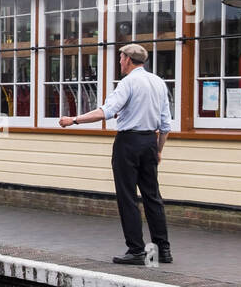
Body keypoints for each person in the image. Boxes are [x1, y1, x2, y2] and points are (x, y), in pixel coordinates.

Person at [59, 43, 172, 266]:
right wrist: (158, 150)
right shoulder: (158, 82)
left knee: (127, 196)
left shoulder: (128, 83)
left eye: (121, 58)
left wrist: (73, 120)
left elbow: (106, 112)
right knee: (152, 196)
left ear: (129, 59)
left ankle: (137, 250)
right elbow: (166, 124)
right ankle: (163, 250)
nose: (119, 61)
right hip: (150, 141)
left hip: (128, 142)